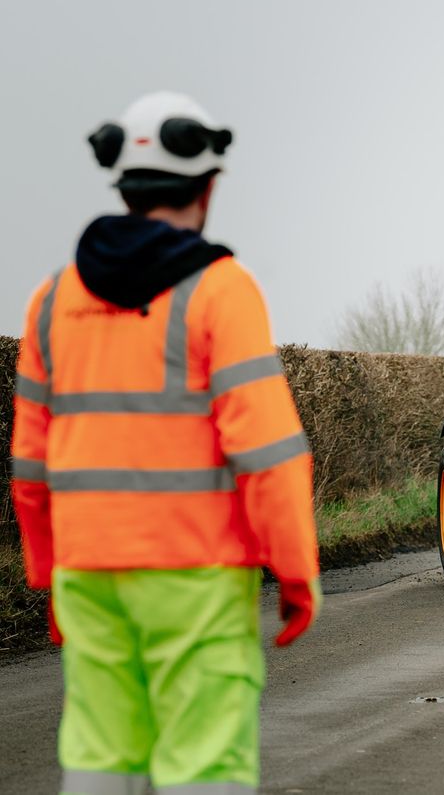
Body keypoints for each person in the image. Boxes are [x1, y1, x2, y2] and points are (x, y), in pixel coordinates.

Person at [9, 91, 322, 795]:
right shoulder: (220, 291)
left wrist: (48, 571)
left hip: (88, 571)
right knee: (203, 759)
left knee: (97, 752)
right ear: (207, 187)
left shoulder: (51, 300)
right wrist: (296, 571)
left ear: (123, 185)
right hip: (197, 575)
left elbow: (29, 466)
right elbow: (269, 454)